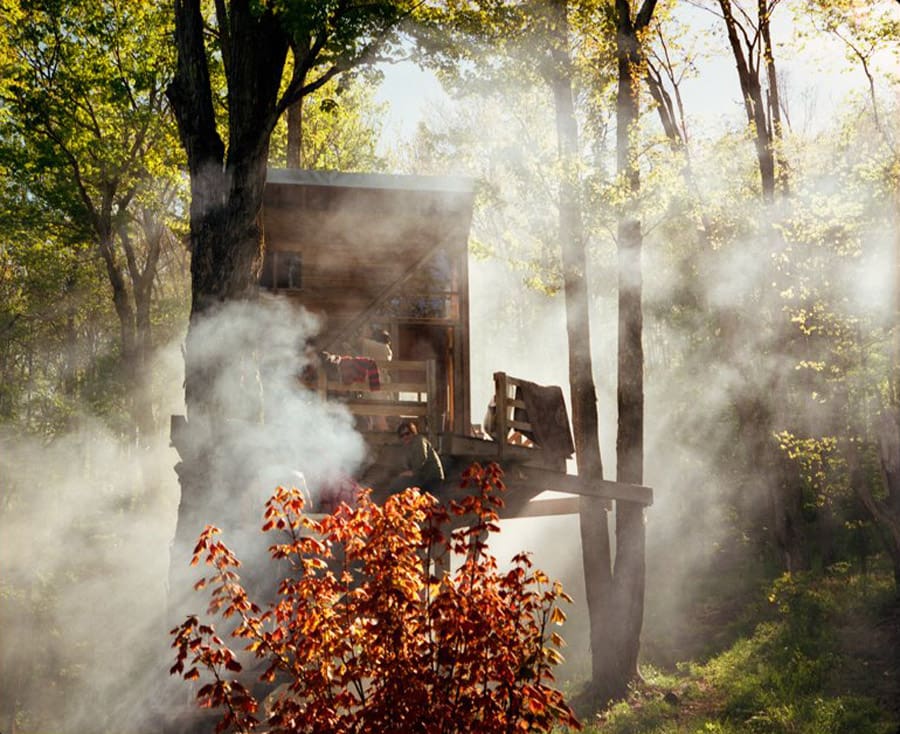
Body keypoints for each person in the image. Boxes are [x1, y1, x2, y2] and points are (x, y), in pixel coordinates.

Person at [389, 420, 444, 493]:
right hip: (423, 478)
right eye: (402, 435)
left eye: (407, 433)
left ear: (413, 433)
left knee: (397, 485)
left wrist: (404, 474)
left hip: (432, 479)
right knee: (397, 485)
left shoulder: (419, 441)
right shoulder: (408, 447)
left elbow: (419, 462)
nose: (405, 437)